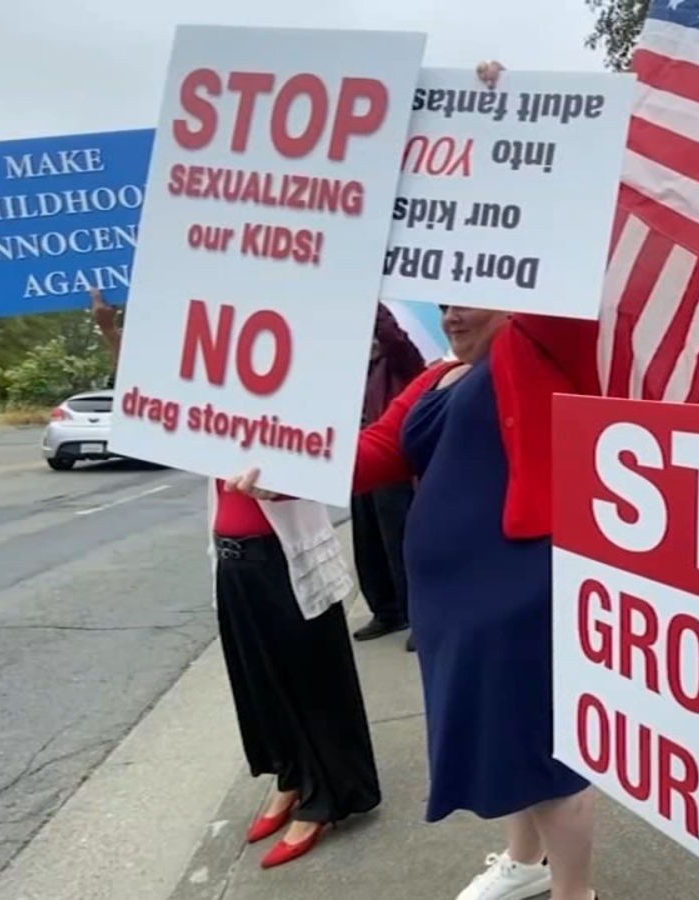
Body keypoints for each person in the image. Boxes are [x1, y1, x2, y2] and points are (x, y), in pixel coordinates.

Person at [230, 62, 604, 900]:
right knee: (503, 744)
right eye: (447, 295)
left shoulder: (543, 347)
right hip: (450, 600)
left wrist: (507, 135)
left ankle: (577, 892)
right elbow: (372, 453)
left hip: (520, 589)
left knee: (540, 750)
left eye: (478, 291)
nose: (456, 307)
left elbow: (557, 253)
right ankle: (524, 863)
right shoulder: (436, 374)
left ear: (521, 295)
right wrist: (278, 468)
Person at [91, 290, 382, 868]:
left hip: (286, 563)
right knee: (262, 686)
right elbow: (158, 405)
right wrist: (111, 335)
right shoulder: (214, 401)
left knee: (313, 684)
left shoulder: (303, 390)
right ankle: (291, 777)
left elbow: (331, 461)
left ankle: (327, 800)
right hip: (235, 563)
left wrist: (283, 477)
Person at [352, 304, 425, 651]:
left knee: (398, 542)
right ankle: (386, 611)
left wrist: (371, 297)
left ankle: (417, 616)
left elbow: (391, 335)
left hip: (389, 464)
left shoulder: (400, 359)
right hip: (356, 455)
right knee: (368, 543)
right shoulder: (352, 368)